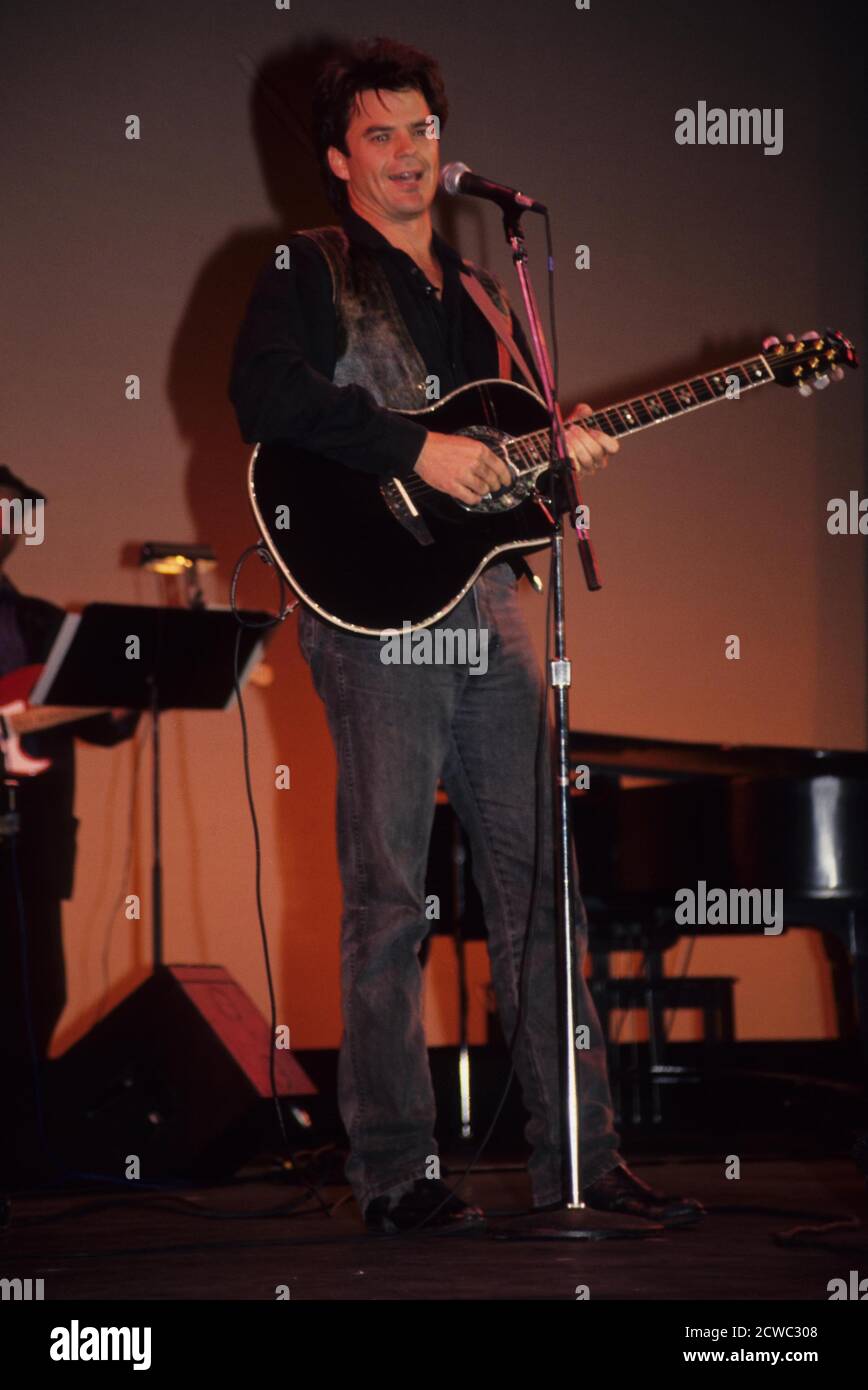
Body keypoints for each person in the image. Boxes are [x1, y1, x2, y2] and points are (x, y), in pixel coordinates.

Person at [230, 37, 704, 1233]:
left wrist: (561, 443)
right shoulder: (305, 264)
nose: (407, 153)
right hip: (372, 609)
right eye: (380, 135)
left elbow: (498, 460)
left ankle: (582, 1161)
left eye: (422, 132)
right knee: (388, 896)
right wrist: (411, 447)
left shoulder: (487, 293)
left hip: (489, 604)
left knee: (545, 888)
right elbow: (267, 398)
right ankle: (394, 1176)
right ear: (340, 159)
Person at [0, 464, 139, 1189]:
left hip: (31, 847)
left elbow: (108, 728)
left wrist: (133, 690)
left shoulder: (42, 622)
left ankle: (20, 1158)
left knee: (34, 993)